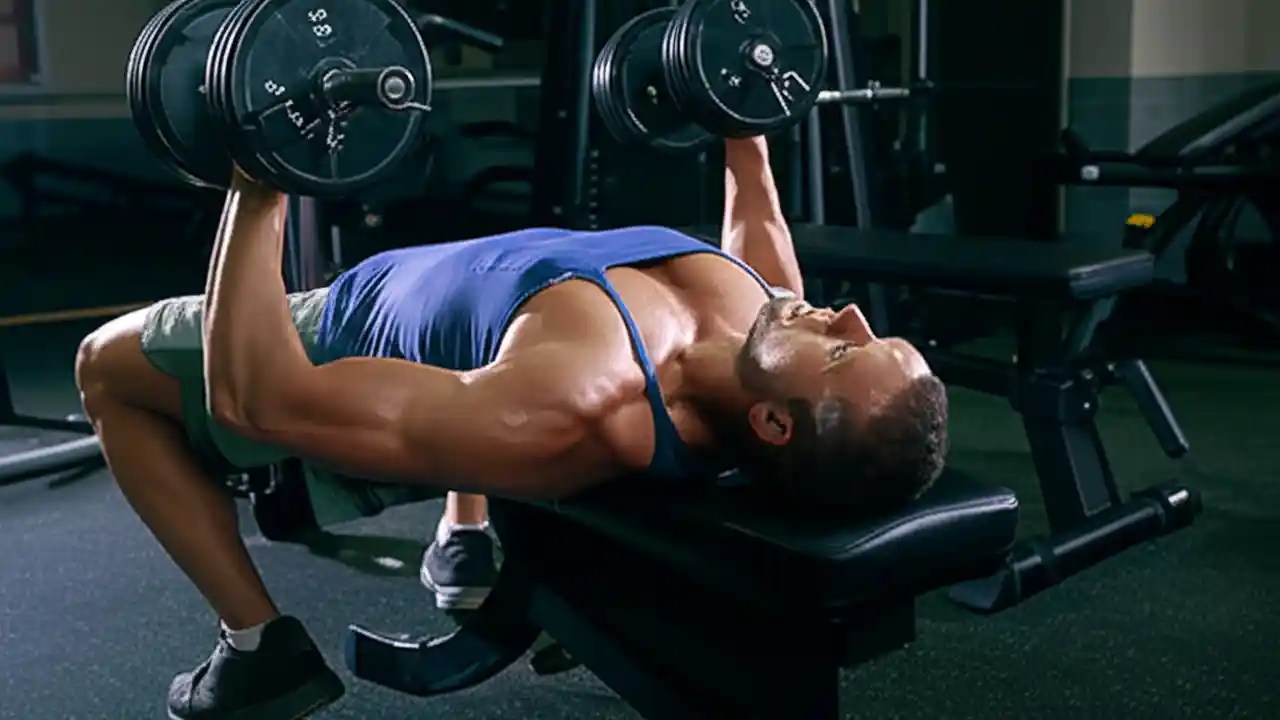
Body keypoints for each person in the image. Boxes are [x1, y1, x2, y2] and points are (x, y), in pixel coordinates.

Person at [75, 136, 948, 720]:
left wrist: (258, 170)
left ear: (770, 422)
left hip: (339, 327)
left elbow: (259, 400)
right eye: (874, 335)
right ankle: (468, 534)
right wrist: (744, 132)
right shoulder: (762, 323)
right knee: (503, 362)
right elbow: (763, 247)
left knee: (103, 365)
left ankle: (258, 646)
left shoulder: (578, 401)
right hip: (501, 312)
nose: (851, 318)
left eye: (844, 355)